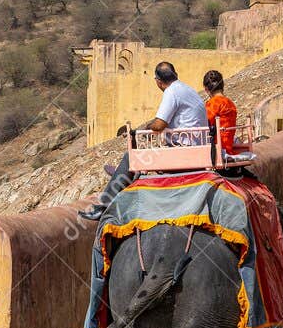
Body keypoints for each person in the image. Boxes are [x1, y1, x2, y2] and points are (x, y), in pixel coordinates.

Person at [80, 61, 208, 221]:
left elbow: (159, 124)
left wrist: (149, 126)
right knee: (139, 157)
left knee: (130, 157)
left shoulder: (171, 92)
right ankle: (127, 175)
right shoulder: (187, 89)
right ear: (176, 75)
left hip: (182, 150)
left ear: (158, 81)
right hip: (198, 147)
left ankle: (103, 206)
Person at [203, 69, 238, 157]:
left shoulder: (213, 104)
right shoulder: (230, 103)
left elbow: (204, 124)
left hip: (217, 148)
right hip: (228, 147)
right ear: (222, 86)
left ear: (206, 89)